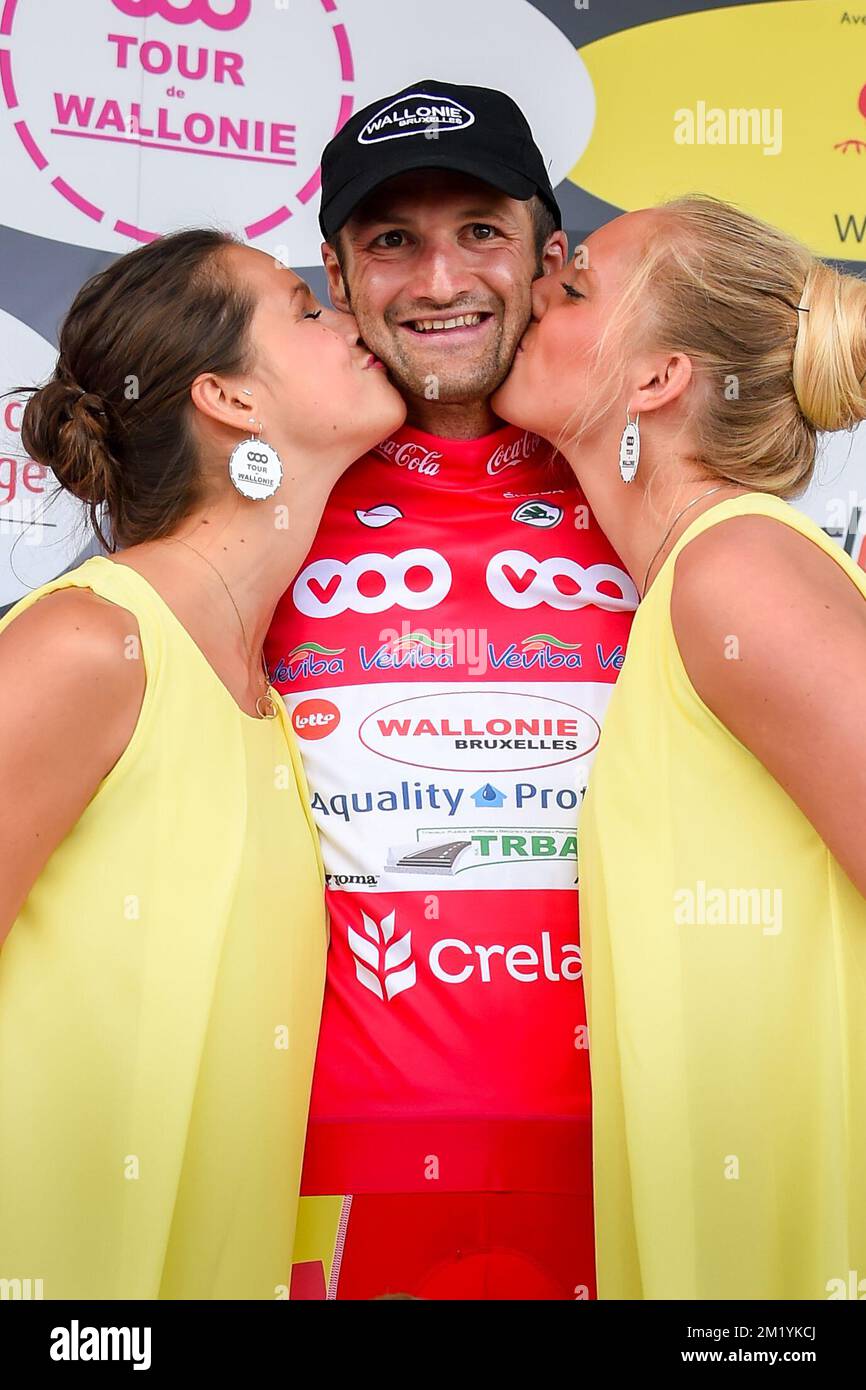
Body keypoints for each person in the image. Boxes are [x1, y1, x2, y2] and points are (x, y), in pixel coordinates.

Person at [266, 80, 637, 1300]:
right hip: (326, 1169)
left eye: (478, 229)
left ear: (551, 256)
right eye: (391, 241)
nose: (437, 282)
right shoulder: (262, 498)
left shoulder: (656, 486)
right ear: (335, 274)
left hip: (636, 1150)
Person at [0, 228, 405, 1299]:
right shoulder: (89, 646)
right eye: (304, 307)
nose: (350, 318)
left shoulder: (269, 705)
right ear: (229, 399)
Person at [491, 194, 866, 1299]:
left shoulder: (733, 568)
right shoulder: (702, 580)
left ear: (654, 380)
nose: (527, 301)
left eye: (568, 291)